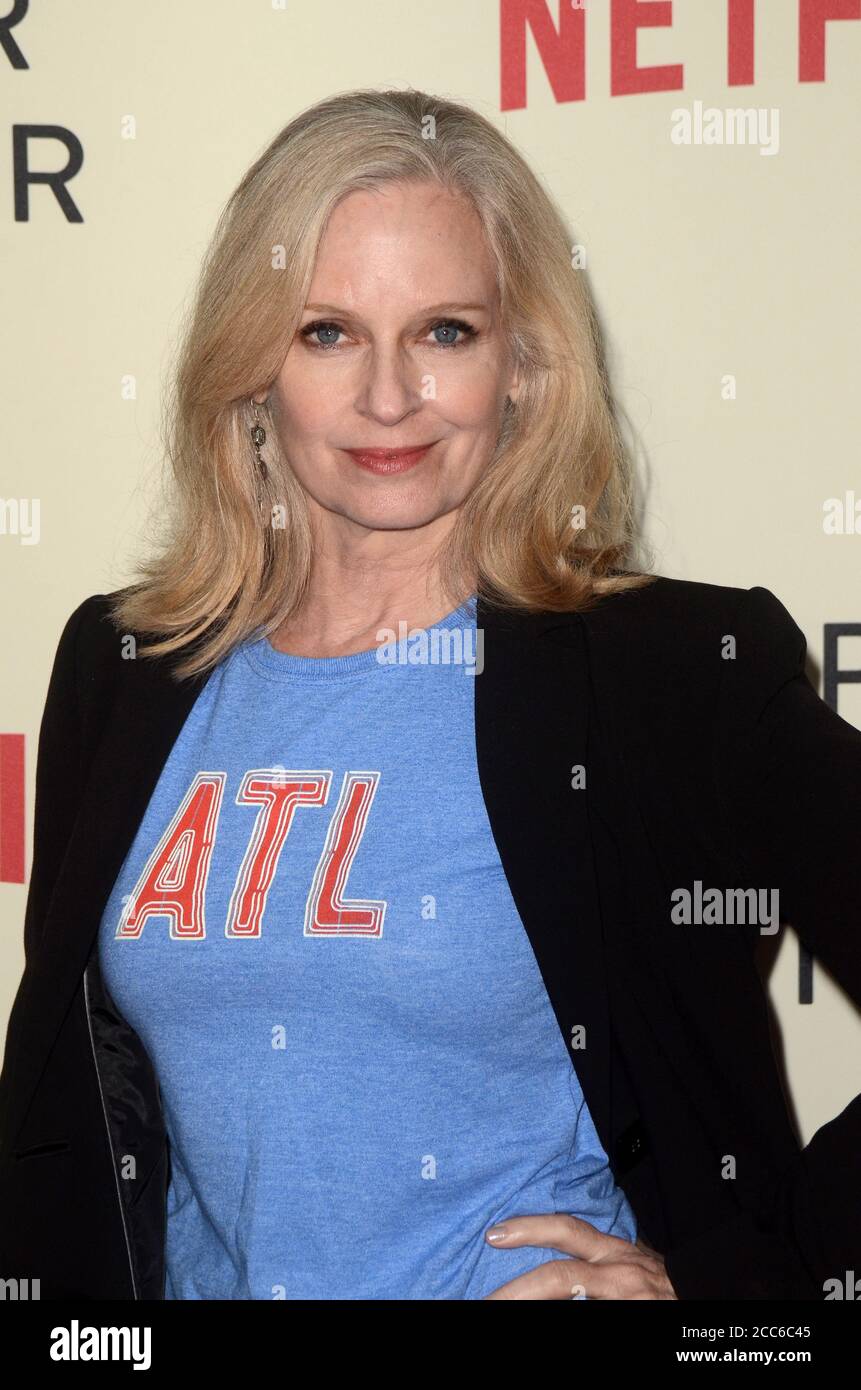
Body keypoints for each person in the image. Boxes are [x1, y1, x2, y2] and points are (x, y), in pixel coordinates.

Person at [0, 88, 858, 1302]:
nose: (390, 396)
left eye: (446, 331)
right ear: (251, 371)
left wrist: (740, 1297)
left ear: (523, 365)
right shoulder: (128, 667)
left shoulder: (670, 673)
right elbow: (66, 1125)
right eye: (328, 332)